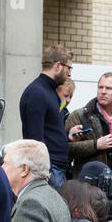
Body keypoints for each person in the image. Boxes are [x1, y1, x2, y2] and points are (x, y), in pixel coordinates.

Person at [19, 45, 73, 187]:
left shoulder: (49, 92)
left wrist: (67, 135)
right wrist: (44, 171)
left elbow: (49, 129)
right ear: (57, 66)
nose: (69, 74)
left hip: (55, 168)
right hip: (49, 170)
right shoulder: (37, 93)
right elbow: (34, 137)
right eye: (69, 68)